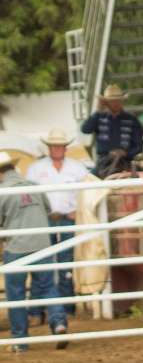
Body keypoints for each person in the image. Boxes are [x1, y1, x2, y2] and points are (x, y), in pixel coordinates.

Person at [1, 148, 68, 349]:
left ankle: (20, 340)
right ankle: (59, 323)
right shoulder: (34, 186)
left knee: (16, 294)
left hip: (16, 247)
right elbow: (48, 211)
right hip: (42, 244)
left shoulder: (3, 192)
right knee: (48, 286)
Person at [25, 130, 92, 313]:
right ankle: (40, 308)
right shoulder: (36, 168)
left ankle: (66, 307)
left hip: (67, 219)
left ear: (65, 147)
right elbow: (28, 195)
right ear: (48, 147)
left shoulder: (77, 168)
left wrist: (77, 210)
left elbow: (87, 192)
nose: (56, 149)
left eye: (59, 146)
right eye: (53, 146)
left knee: (66, 261)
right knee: (42, 262)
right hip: (44, 219)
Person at [80, 84, 143, 178]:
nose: (115, 103)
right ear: (106, 102)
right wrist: (98, 111)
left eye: (118, 100)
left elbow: (139, 146)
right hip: (103, 162)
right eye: (112, 101)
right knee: (89, 181)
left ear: (122, 101)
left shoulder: (131, 119)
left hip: (126, 162)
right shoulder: (98, 117)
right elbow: (85, 129)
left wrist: (125, 153)